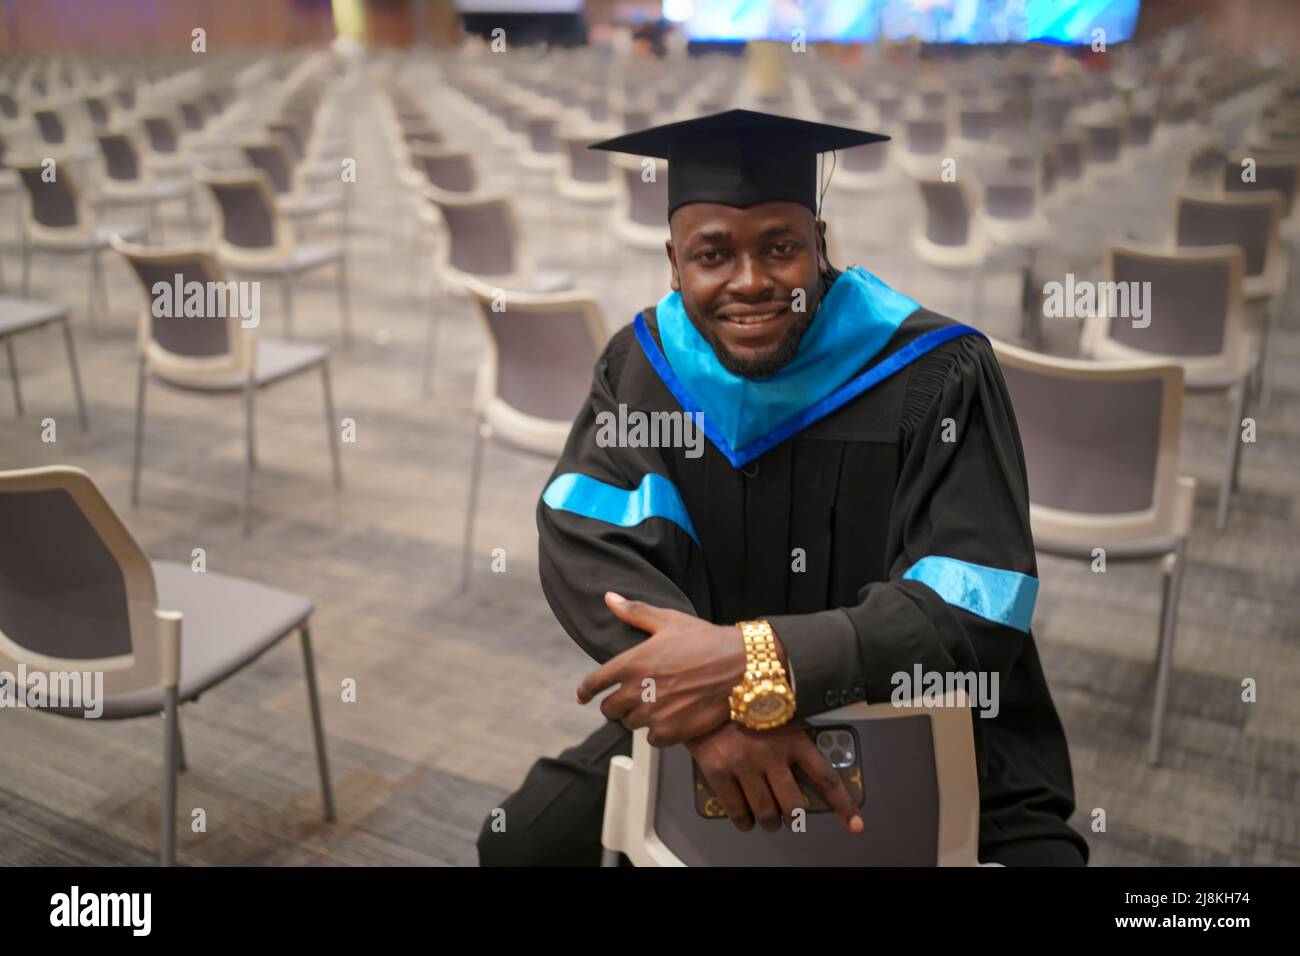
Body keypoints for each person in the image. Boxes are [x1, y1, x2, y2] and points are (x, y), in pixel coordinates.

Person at [477, 109, 1087, 867]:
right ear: (674, 263)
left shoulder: (938, 373)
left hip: (940, 723)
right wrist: (709, 710)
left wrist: (756, 663)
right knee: (518, 847)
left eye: (780, 247)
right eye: (712, 254)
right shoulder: (643, 368)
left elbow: (976, 602)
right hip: (695, 705)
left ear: (820, 247)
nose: (750, 282)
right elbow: (583, 532)